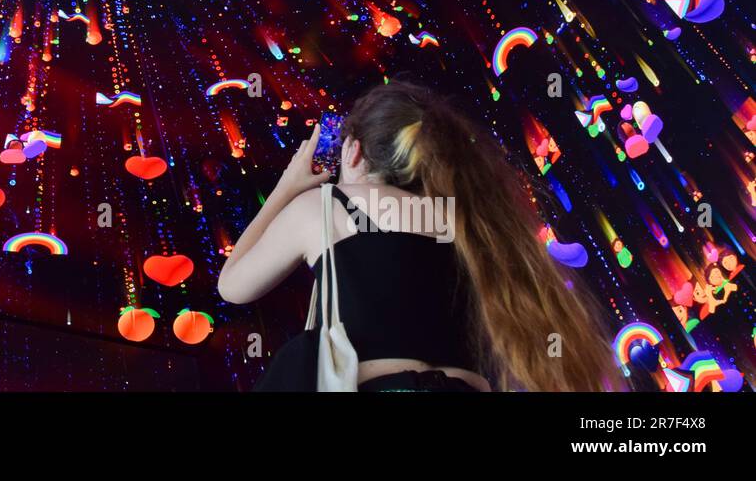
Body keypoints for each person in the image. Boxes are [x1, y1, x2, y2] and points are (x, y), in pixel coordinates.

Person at [218, 79, 615, 391]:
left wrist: (286, 188)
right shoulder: (472, 221)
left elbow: (232, 286)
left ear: (353, 153)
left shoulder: (329, 205)